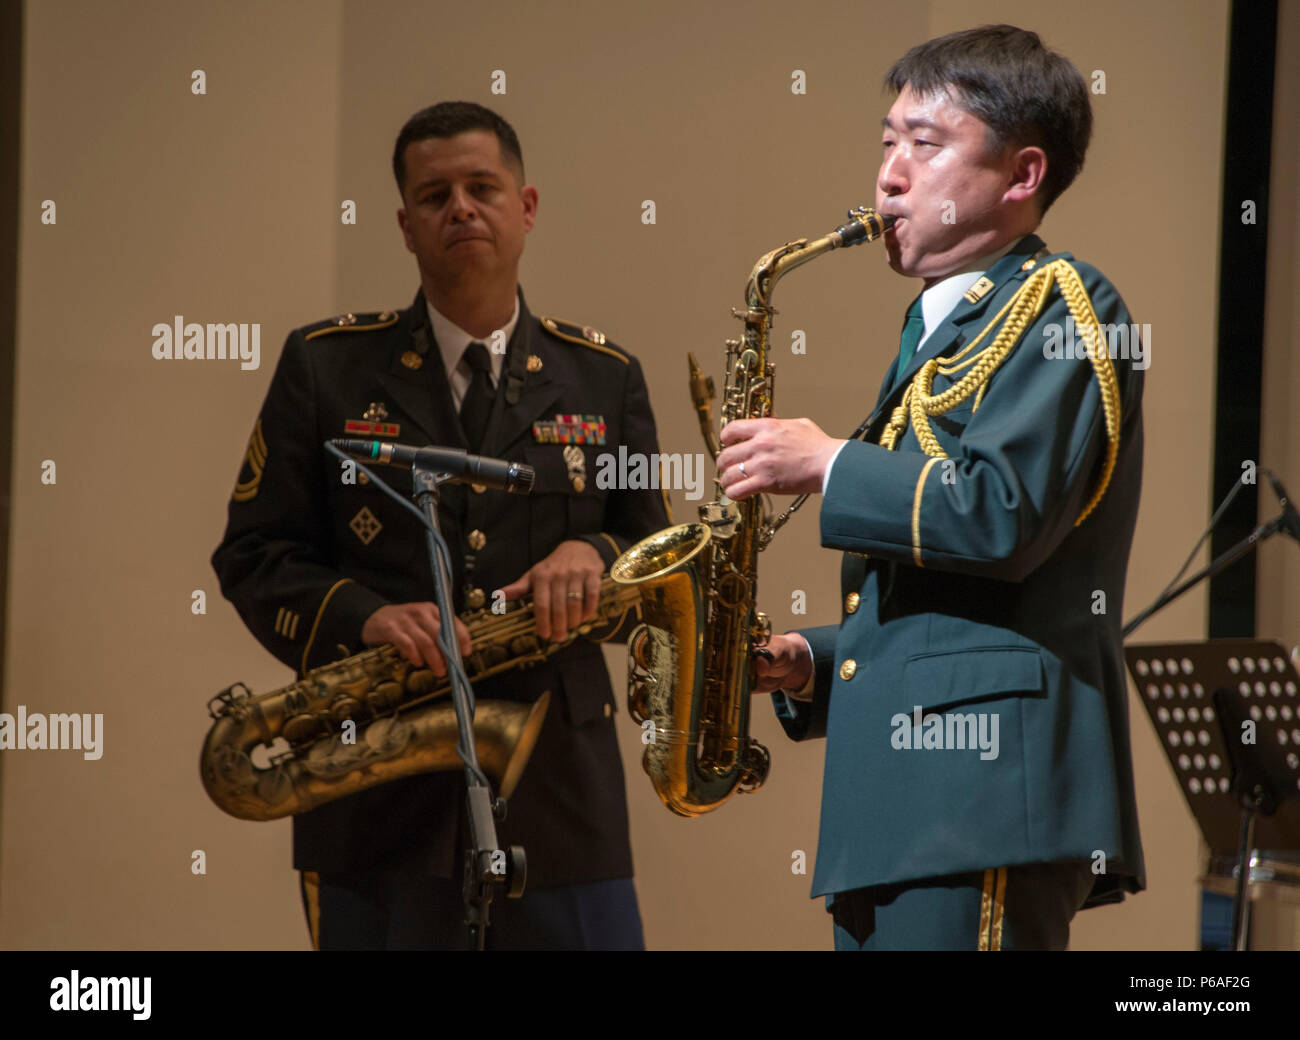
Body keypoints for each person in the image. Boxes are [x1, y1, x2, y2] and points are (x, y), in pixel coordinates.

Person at [717, 25, 1146, 950]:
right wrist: (816, 660)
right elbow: (953, 605)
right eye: (886, 143)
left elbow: (1003, 518)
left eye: (926, 143)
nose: (890, 176)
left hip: (983, 797)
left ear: (1022, 174)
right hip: (906, 810)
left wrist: (829, 462)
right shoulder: (937, 325)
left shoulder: (1068, 304)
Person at [211, 101, 669, 950]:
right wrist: (364, 617)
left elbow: (660, 561)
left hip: (560, 792)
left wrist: (596, 551)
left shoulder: (606, 379)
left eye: (481, 187)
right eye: (435, 196)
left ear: (525, 208)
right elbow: (254, 554)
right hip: (374, 796)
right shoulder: (325, 366)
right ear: (405, 226)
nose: (460, 207)